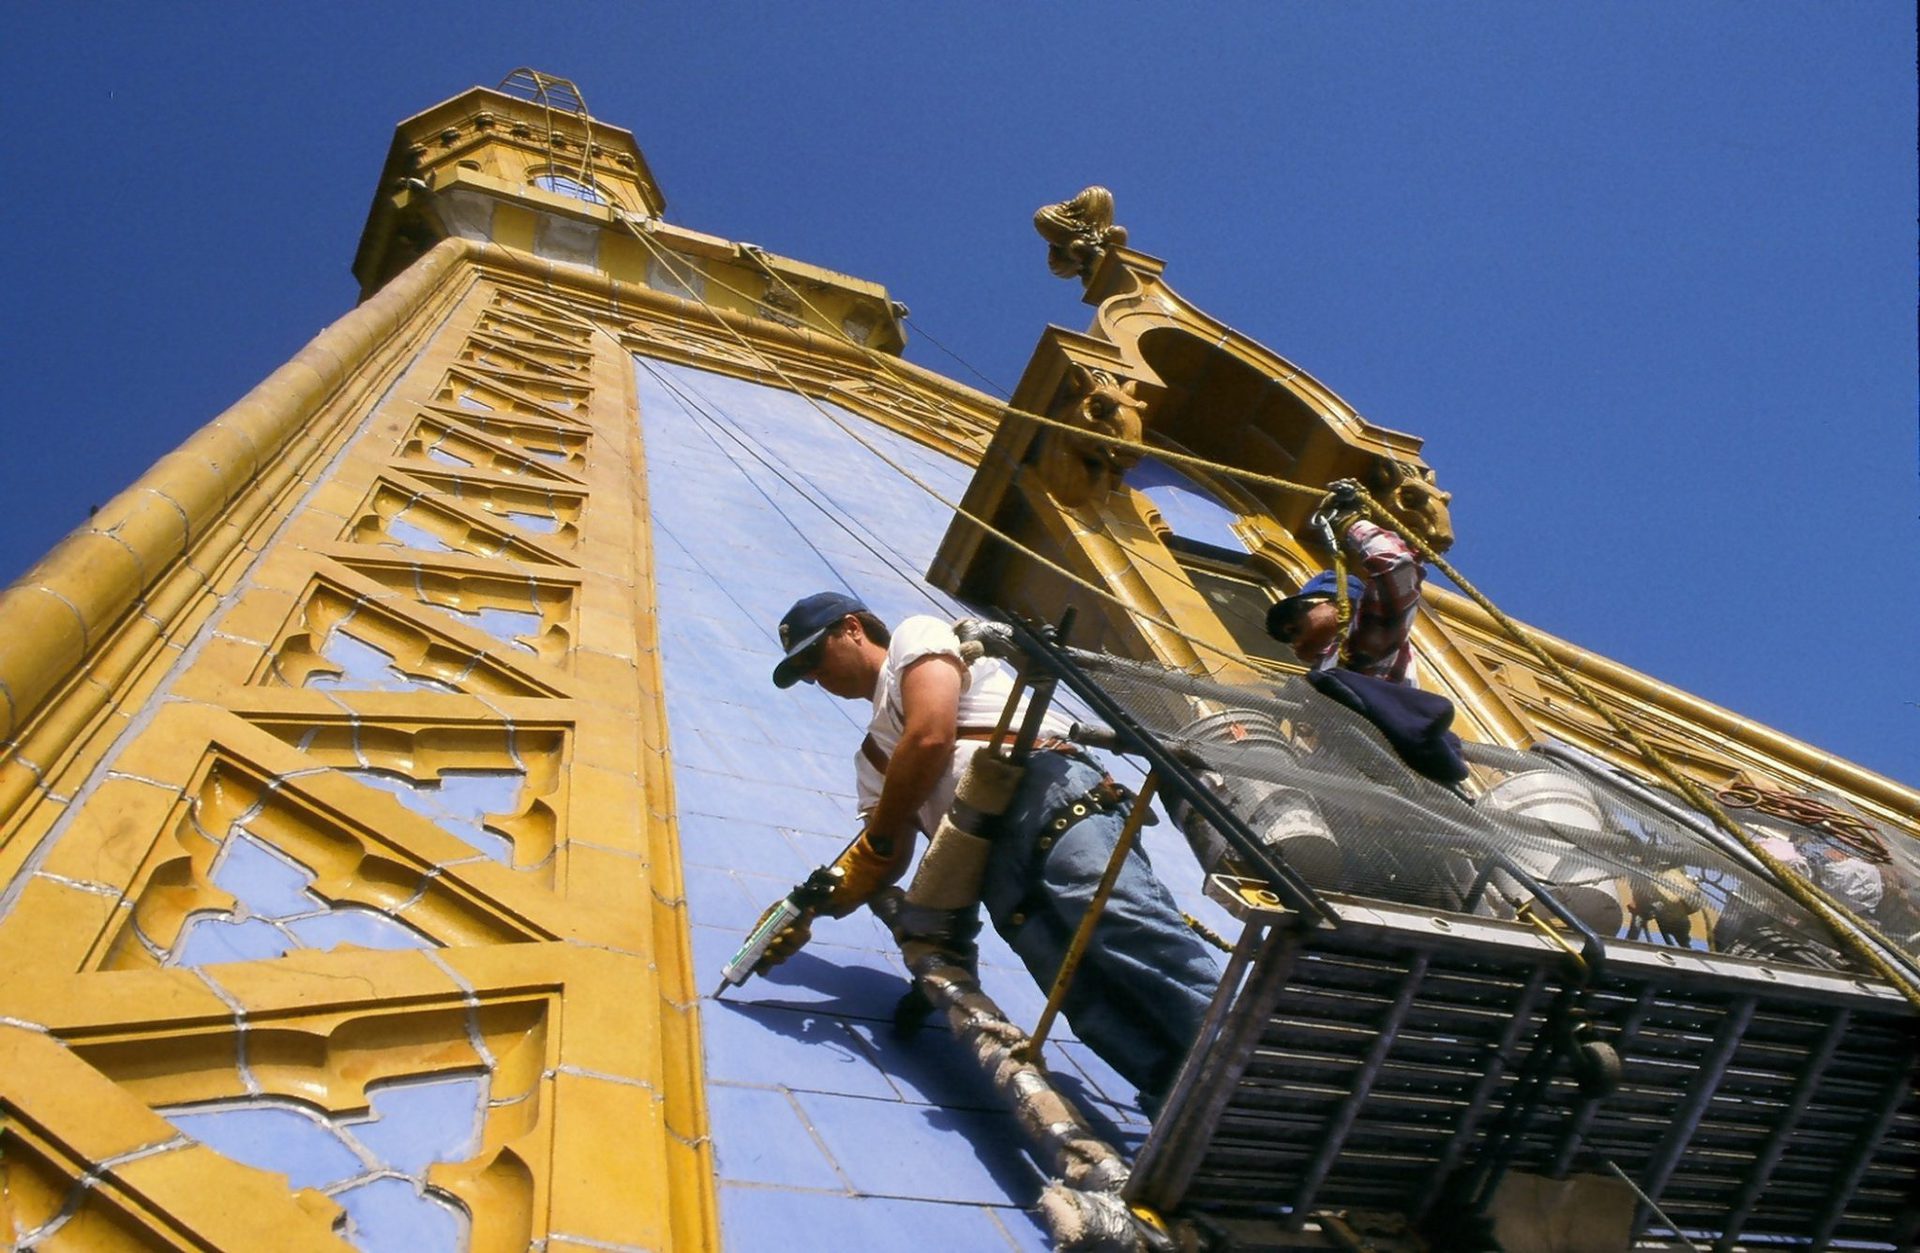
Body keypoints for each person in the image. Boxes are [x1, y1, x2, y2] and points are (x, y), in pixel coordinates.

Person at [765, 590, 1220, 1112]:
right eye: (801, 671)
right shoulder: (871, 757)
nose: (811, 677)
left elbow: (930, 735)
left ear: (851, 627)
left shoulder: (916, 637)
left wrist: (881, 835)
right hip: (988, 864)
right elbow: (885, 853)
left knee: (1119, 920)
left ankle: (1237, 1062)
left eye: (811, 658)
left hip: (1046, 798)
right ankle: (1180, 1102)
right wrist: (811, 908)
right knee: (1075, 987)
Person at [1264, 481, 1425, 685]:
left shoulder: (1360, 645)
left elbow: (1396, 564)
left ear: (1341, 604)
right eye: (1285, 637)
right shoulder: (1332, 668)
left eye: (1295, 612)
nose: (1288, 633)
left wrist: (1350, 523)